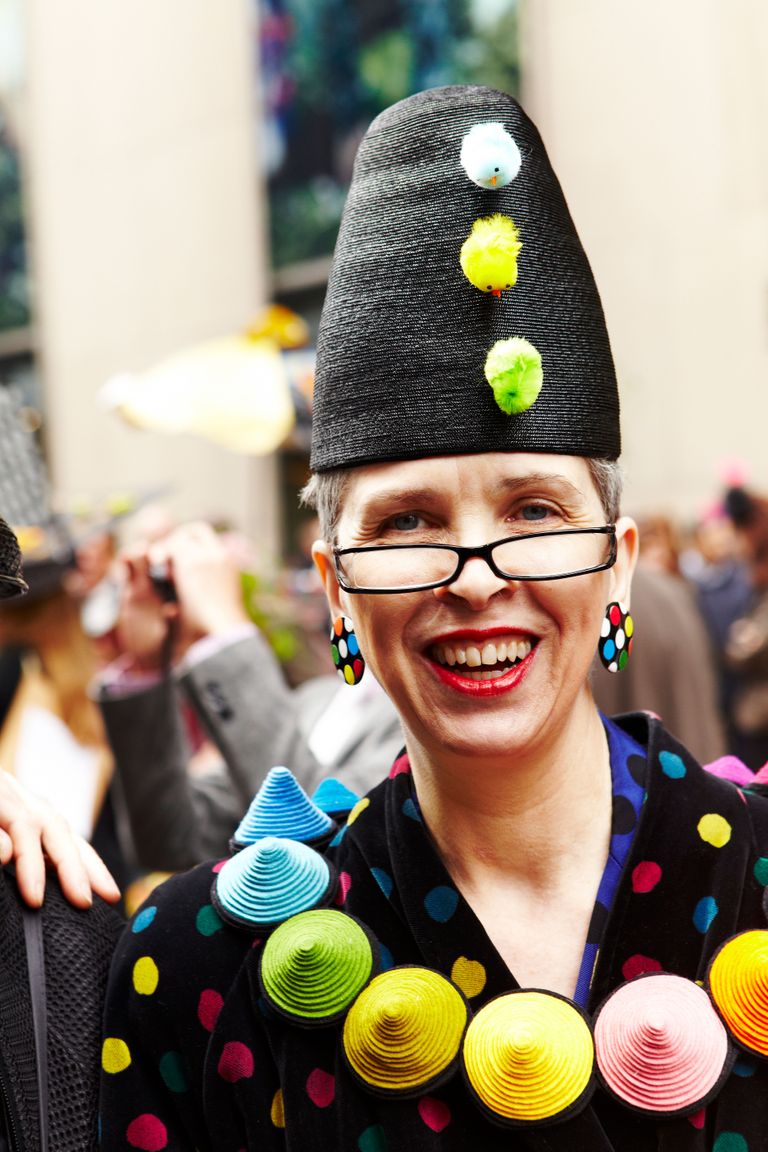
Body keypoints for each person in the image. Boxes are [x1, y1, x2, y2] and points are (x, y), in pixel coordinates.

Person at [100, 86, 768, 1151]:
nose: (474, 577)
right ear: (334, 588)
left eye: (534, 509)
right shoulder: (202, 964)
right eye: (408, 522)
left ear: (619, 565)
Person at [95, 521, 403, 870]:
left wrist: (226, 628)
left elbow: (331, 841)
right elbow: (170, 842)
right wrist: (147, 667)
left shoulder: (424, 728)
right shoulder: (314, 700)